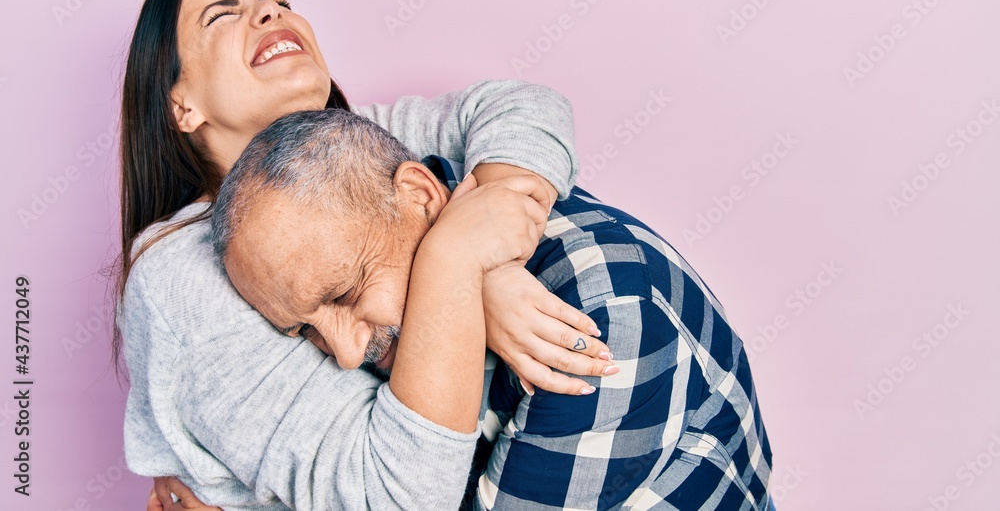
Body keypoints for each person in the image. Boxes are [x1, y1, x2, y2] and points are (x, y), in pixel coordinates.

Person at [116, 0, 616, 511]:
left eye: (276, 2)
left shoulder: (360, 139)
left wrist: (494, 257)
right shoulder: (180, 271)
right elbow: (389, 495)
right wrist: (455, 263)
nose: (269, 12)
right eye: (222, 16)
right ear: (181, 105)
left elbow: (524, 105)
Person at [212, 108, 775, 510]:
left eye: (345, 294)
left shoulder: (601, 313)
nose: (345, 354)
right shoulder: (386, 272)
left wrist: (452, 261)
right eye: (304, 330)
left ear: (421, 196)